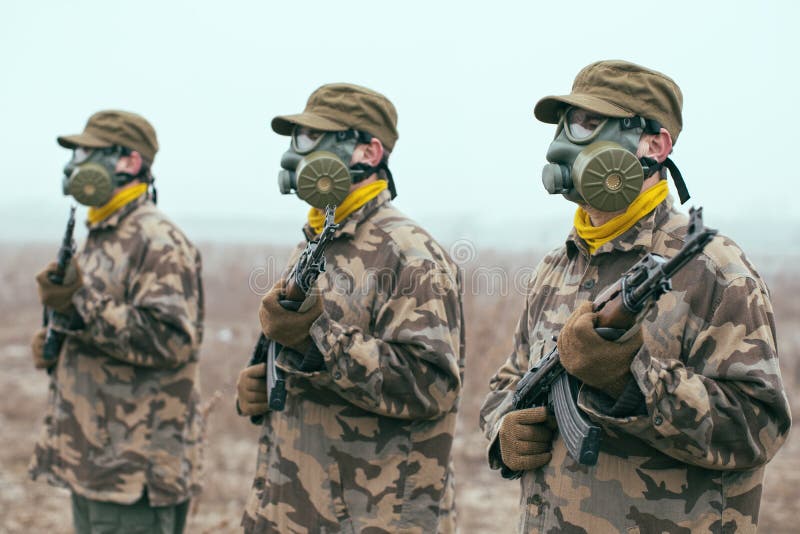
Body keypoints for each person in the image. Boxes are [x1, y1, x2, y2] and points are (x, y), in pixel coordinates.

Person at [479, 60, 791, 532]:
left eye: (589, 124)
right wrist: (502, 426)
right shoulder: (555, 267)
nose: (566, 141)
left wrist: (632, 382)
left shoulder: (715, 269)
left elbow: (757, 429)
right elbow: (510, 378)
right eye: (567, 124)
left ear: (656, 145)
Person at [236, 83, 465, 533]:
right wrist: (271, 373)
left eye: (313, 139)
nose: (296, 154)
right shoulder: (318, 241)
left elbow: (432, 385)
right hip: (290, 506)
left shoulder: (409, 253)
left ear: (369, 151)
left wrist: (316, 340)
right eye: (297, 139)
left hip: (372, 517)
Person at [30, 110, 205, 534]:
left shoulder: (157, 239)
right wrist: (59, 335)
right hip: (95, 463)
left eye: (87, 152)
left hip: (136, 472)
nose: (75, 164)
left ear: (128, 161)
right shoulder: (101, 231)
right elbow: (103, 326)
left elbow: (171, 341)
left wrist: (79, 305)